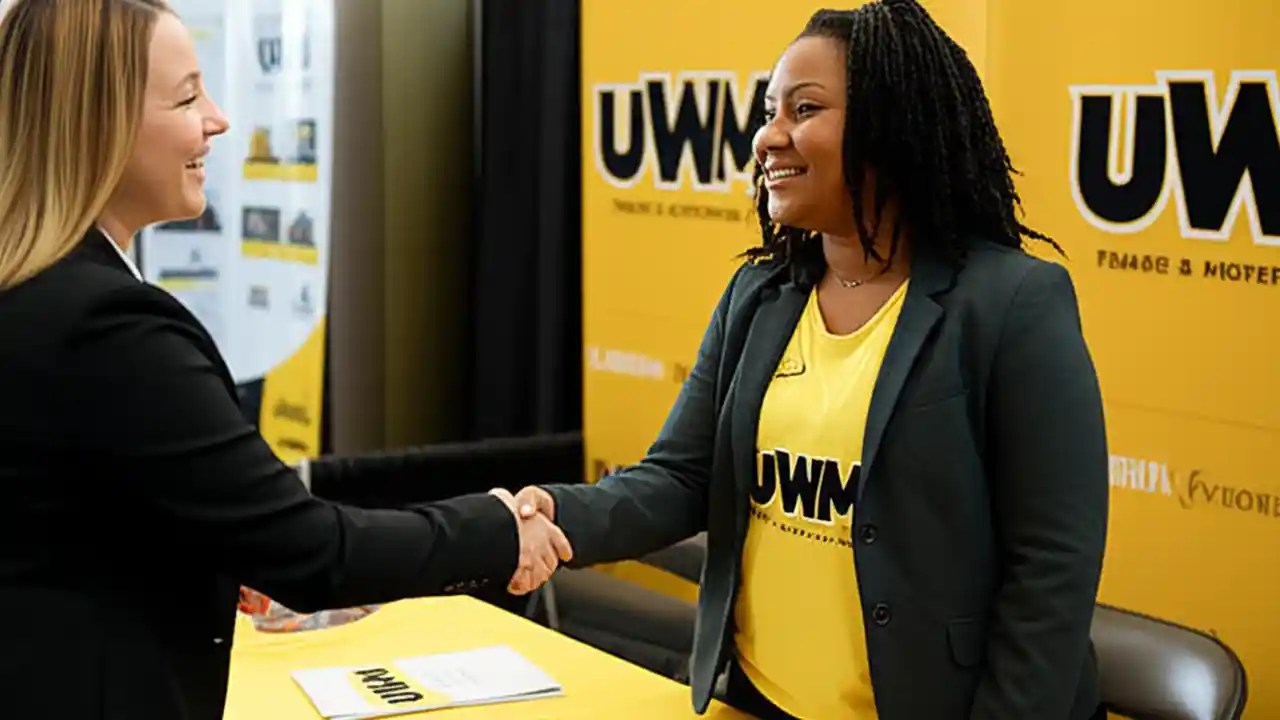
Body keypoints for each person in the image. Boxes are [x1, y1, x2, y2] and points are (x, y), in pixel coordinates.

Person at [513, 2, 1109, 719]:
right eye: (770, 111)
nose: (770, 136)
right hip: (761, 700)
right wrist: (559, 513)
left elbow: (1051, 572)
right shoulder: (757, 295)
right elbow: (680, 478)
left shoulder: (1011, 303)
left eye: (804, 108)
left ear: (894, 124)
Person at [0, 2, 569, 719]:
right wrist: (493, 530)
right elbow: (311, 550)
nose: (218, 118)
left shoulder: (33, 292)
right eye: (186, 97)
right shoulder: (105, 326)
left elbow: (73, 521)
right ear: (97, 123)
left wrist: (205, 553)